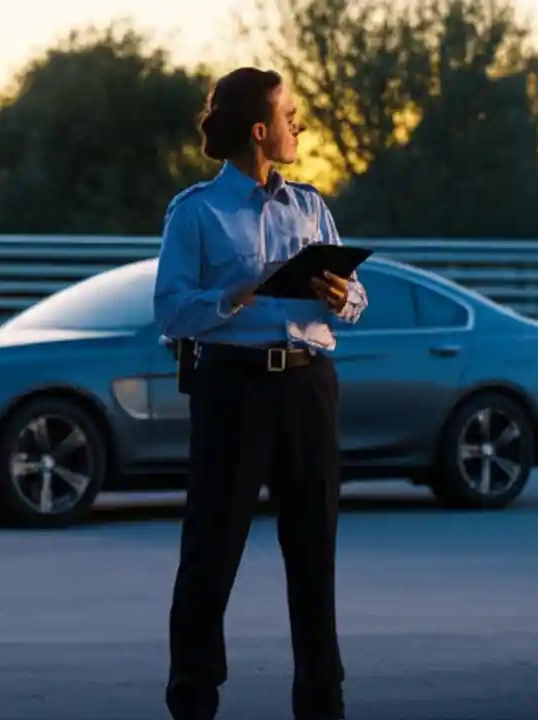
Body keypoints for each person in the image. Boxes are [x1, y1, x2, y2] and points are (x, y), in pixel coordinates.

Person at [154, 67, 367, 720]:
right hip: (233, 391)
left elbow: (355, 300)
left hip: (310, 388)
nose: (298, 123)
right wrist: (235, 295)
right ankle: (193, 699)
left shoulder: (312, 207)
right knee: (211, 555)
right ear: (258, 129)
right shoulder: (194, 211)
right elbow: (170, 312)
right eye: (289, 114)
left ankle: (321, 702)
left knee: (314, 553)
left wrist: (343, 295)